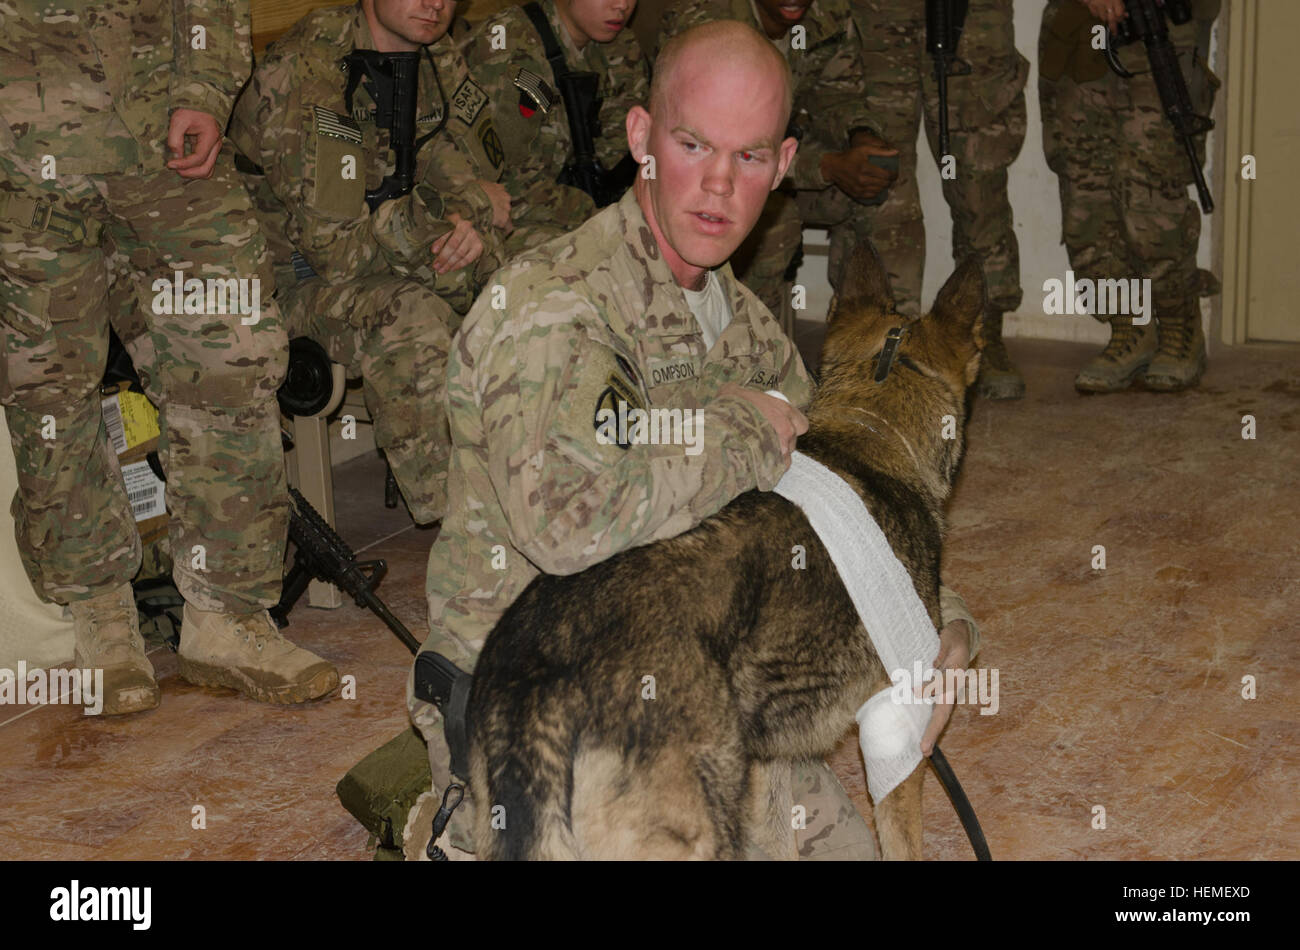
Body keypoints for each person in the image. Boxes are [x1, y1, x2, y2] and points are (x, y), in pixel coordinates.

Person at [408, 19, 979, 860]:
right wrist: (746, 429)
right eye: (691, 144)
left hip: (710, 685)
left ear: (784, 168)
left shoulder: (747, 326)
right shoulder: (552, 308)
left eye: (749, 157)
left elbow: (834, 507)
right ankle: (454, 826)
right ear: (640, 137)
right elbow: (569, 526)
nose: (718, 185)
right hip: (540, 711)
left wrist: (939, 628)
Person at [0, 0, 338, 714]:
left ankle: (227, 614)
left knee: (233, 354)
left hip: (164, 143)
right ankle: (101, 617)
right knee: (48, 391)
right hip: (21, 161)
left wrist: (205, 91)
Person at [229, 0, 580, 524]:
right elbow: (338, 253)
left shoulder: (429, 50)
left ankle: (562, 479)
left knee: (525, 280)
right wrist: (440, 221)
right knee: (412, 315)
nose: (434, 2)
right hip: (297, 283)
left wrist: (461, 224)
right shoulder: (314, 73)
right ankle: (464, 524)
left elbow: (453, 162)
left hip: (385, 250)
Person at [657, 0, 897, 329]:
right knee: (775, 226)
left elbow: (838, 97)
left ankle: (870, 347)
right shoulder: (708, 22)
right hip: (717, 172)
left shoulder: (827, 14)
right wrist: (826, 167)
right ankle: (743, 345)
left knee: (885, 190)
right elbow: (718, 144)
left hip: (788, 160)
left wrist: (861, 136)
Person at [847, 0, 1029, 399]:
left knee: (979, 183)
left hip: (972, 11)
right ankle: (881, 338)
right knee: (878, 172)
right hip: (880, 12)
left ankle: (983, 333)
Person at [1040, 0, 1220, 392]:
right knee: (1085, 192)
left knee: (1151, 191)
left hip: (1163, 26)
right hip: (1079, 29)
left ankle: (1179, 327)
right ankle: (1129, 328)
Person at [466, 0, 649, 228]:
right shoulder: (510, 48)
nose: (622, 5)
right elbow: (513, 189)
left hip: (576, 203)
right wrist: (609, 221)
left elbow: (623, 155)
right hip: (499, 216)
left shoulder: (620, 45)